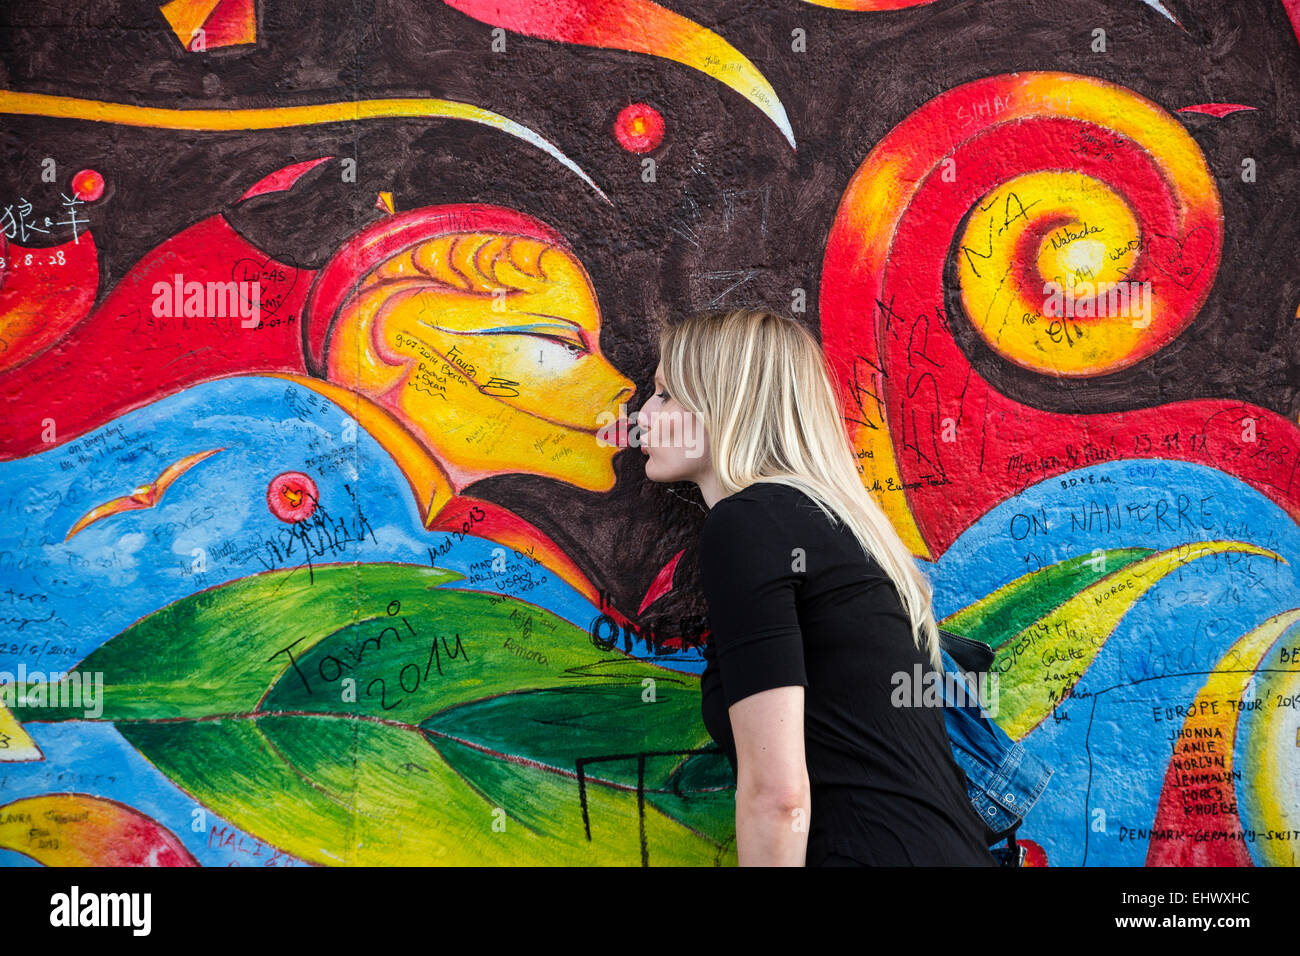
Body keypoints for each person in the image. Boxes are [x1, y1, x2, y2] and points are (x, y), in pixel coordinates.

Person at [635, 306, 997, 867]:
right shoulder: (833, 527)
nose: (641, 415)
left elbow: (778, 797)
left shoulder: (748, 524)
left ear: (723, 404)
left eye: (664, 396)